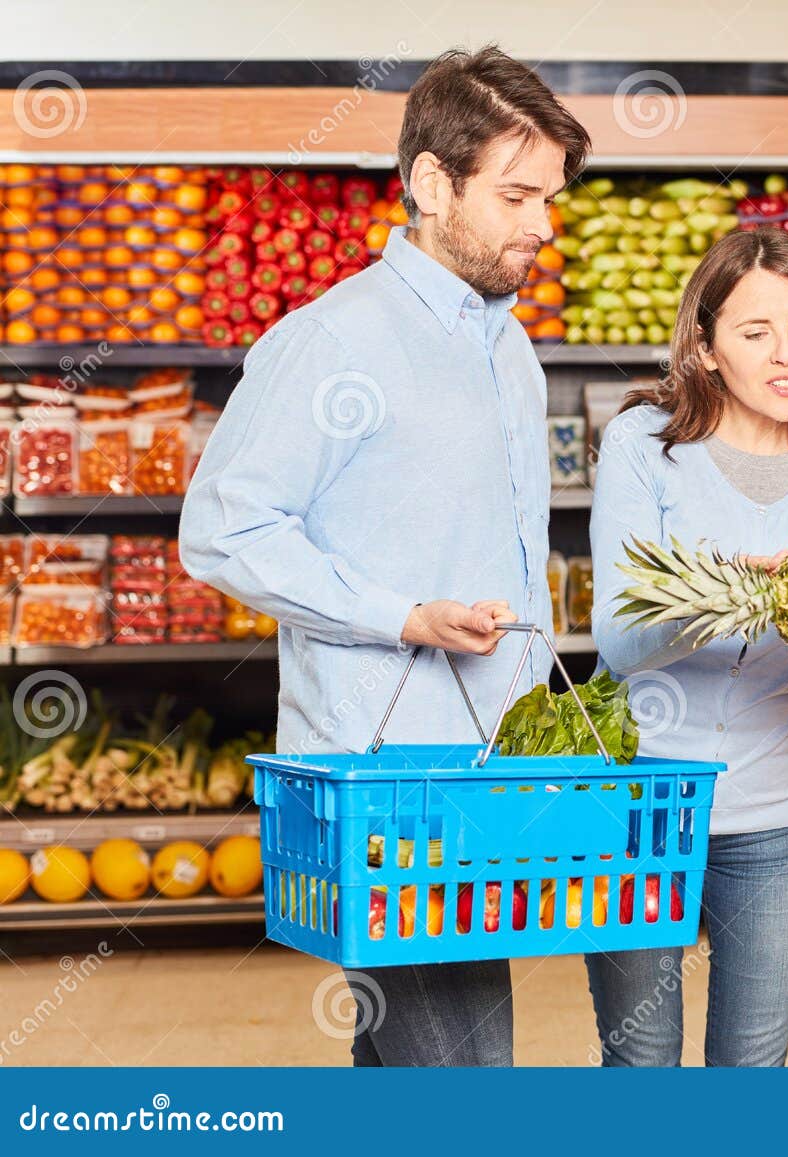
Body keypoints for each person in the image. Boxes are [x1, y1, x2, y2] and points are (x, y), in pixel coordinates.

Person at [179, 46, 591, 1067]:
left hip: (493, 766)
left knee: (414, 1063)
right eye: (516, 195)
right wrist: (401, 613)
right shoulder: (333, 341)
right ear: (429, 184)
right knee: (463, 1071)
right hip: (385, 776)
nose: (542, 224)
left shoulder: (509, 347)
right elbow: (225, 526)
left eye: (552, 197)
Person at [586, 228, 788, 1066]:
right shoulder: (647, 447)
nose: (785, 353)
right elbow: (616, 640)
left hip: (777, 813)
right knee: (641, 1059)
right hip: (640, 808)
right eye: (755, 332)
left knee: (753, 1067)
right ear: (706, 346)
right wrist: (738, 592)